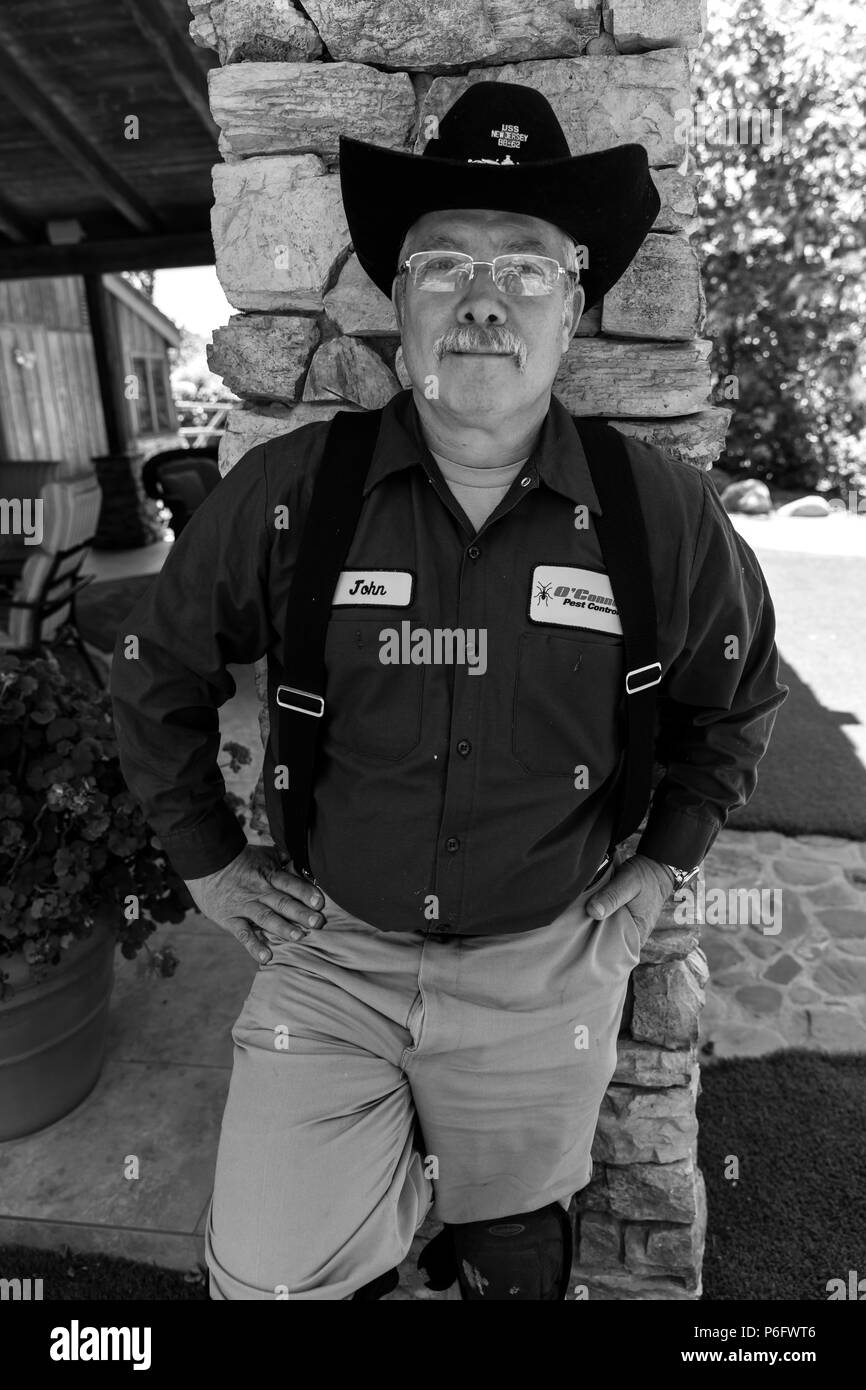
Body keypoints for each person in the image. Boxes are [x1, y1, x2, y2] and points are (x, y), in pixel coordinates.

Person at [110, 82, 788, 1300]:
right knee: (270, 1279)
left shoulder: (657, 516)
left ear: (573, 307)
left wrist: (652, 874)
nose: (483, 299)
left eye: (526, 268)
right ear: (399, 302)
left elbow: (733, 702)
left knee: (514, 1252)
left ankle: (459, 1221)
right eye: (443, 266)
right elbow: (155, 667)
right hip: (333, 959)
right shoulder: (290, 495)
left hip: (549, 967)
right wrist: (208, 861)